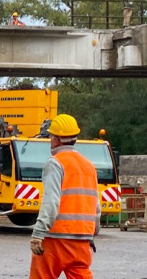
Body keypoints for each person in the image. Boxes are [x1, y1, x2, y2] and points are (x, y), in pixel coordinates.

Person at [29, 114, 100, 279]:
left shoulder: (55, 163)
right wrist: (92, 233)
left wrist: (38, 234)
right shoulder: (89, 166)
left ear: (55, 139)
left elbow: (51, 202)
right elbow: (96, 205)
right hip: (82, 241)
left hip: (55, 240)